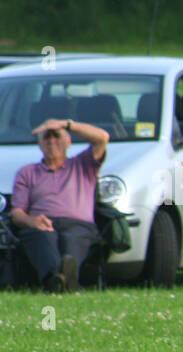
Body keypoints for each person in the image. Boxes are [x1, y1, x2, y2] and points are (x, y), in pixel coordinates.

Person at [9, 117, 110, 293]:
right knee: (43, 237)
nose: (52, 141)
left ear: (68, 141)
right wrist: (32, 221)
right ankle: (63, 281)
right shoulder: (27, 173)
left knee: (71, 239)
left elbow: (102, 138)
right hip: (41, 224)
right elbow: (17, 213)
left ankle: (56, 281)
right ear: (39, 145)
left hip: (78, 225)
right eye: (46, 137)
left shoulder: (83, 164)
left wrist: (66, 125)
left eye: (57, 136)